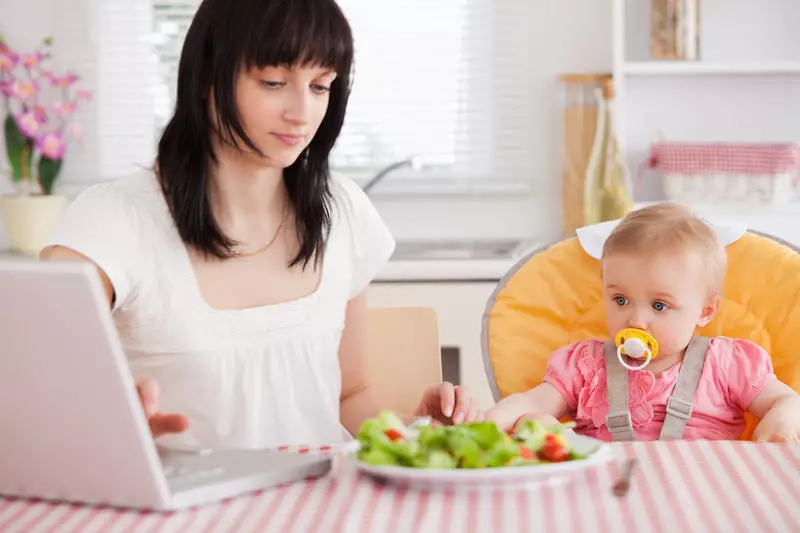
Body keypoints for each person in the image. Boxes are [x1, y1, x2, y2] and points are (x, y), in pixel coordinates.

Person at [41, 0, 481, 449]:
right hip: (188, 514)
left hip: (320, 506)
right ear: (206, 79)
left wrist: (413, 431)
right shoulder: (112, 221)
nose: (302, 112)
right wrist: (104, 426)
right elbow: (32, 391)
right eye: (274, 82)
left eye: (320, 86)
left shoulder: (341, 210)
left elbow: (349, 396)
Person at [485, 203, 800, 443]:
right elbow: (534, 400)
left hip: (702, 495)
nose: (635, 319)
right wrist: (495, 419)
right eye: (620, 300)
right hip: (605, 492)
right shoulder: (584, 364)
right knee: (536, 420)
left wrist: (784, 415)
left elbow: (786, 399)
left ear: (705, 311)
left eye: (659, 305)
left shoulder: (729, 363)